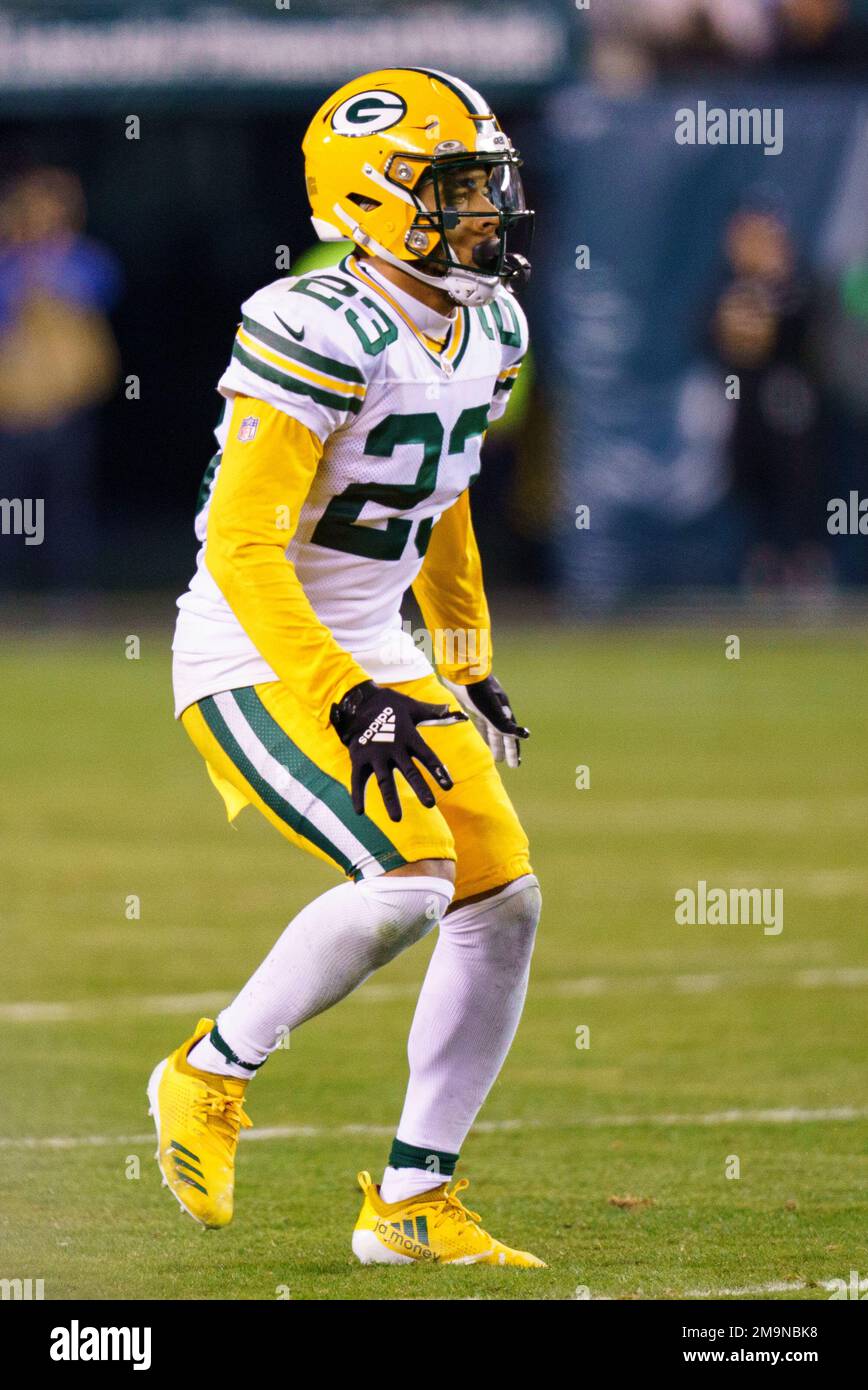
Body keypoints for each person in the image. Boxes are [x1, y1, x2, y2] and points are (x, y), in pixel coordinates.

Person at [149, 68, 544, 1269]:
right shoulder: (315, 322)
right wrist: (349, 697)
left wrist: (464, 661)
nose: (482, 210)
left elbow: (444, 500)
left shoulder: (492, 325)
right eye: (453, 188)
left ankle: (412, 1201)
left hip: (378, 647)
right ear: (372, 198)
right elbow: (241, 545)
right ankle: (208, 1071)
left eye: (485, 185)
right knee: (412, 876)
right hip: (254, 647)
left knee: (503, 900)